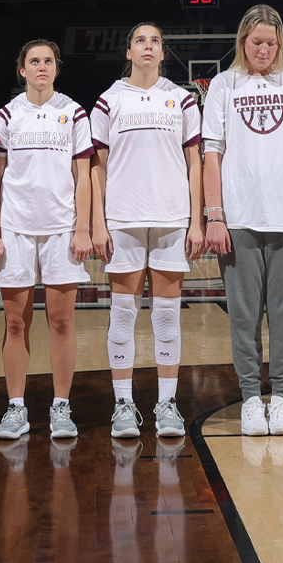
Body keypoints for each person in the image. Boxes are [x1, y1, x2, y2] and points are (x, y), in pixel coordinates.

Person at [201, 5, 283, 436]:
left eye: (272, 43)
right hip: (238, 217)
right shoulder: (223, 84)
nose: (265, 50)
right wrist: (214, 216)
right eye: (257, 42)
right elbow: (211, 155)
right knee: (243, 315)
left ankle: (282, 398)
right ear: (243, 42)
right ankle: (251, 398)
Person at [91, 23, 205, 440]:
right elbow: (96, 166)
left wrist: (198, 220)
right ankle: (123, 404)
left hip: (172, 218)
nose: (148, 46)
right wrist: (97, 222)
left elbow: (195, 161)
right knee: (122, 315)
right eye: (140, 39)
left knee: (167, 316)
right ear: (128, 51)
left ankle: (167, 403)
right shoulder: (108, 100)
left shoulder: (182, 98)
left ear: (162, 52)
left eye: (155, 40)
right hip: (122, 217)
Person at [0, 40, 94, 441]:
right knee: (16, 323)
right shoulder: (7, 116)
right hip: (14, 229)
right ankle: (16, 407)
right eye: (34, 61)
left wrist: (82, 228)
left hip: (61, 229)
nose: (42, 67)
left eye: (48, 61)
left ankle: (61, 406)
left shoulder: (73, 112)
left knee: (62, 322)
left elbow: (84, 176)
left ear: (56, 69)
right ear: (22, 70)